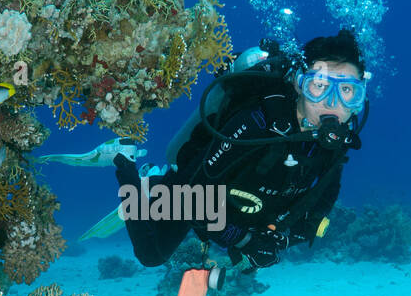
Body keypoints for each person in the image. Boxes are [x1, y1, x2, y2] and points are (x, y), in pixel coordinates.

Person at [114, 28, 368, 272]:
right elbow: (189, 200)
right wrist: (246, 241)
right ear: (299, 85)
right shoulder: (257, 123)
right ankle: (126, 164)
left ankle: (157, 181)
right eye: (320, 86)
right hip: (196, 191)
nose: (333, 104)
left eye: (348, 91)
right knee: (151, 255)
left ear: (359, 99)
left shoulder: (335, 139)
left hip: (242, 205)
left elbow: (324, 198)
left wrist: (282, 240)